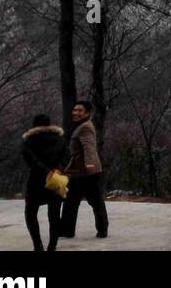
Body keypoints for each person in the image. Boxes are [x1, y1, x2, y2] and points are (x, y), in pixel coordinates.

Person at [59, 100, 108, 239]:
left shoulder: (85, 127)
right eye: (75, 110)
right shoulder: (82, 125)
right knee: (73, 201)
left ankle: (101, 230)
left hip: (87, 172)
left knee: (93, 201)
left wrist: (90, 164)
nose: (76, 113)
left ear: (87, 113)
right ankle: (68, 230)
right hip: (80, 171)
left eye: (80, 110)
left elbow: (89, 147)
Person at [21, 114, 65, 252]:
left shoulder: (29, 140)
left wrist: (45, 171)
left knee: (30, 212)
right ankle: (52, 245)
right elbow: (66, 157)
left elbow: (30, 160)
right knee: (54, 214)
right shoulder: (60, 139)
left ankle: (37, 245)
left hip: (36, 179)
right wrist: (57, 170)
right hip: (56, 178)